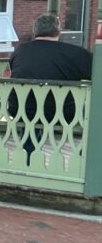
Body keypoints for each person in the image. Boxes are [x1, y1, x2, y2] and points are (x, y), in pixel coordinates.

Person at [9, 13, 93, 161]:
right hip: (62, 112)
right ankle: (84, 154)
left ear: (35, 31)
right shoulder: (77, 54)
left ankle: (28, 155)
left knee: (30, 106)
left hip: (21, 110)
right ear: (58, 31)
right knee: (93, 111)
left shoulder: (20, 51)